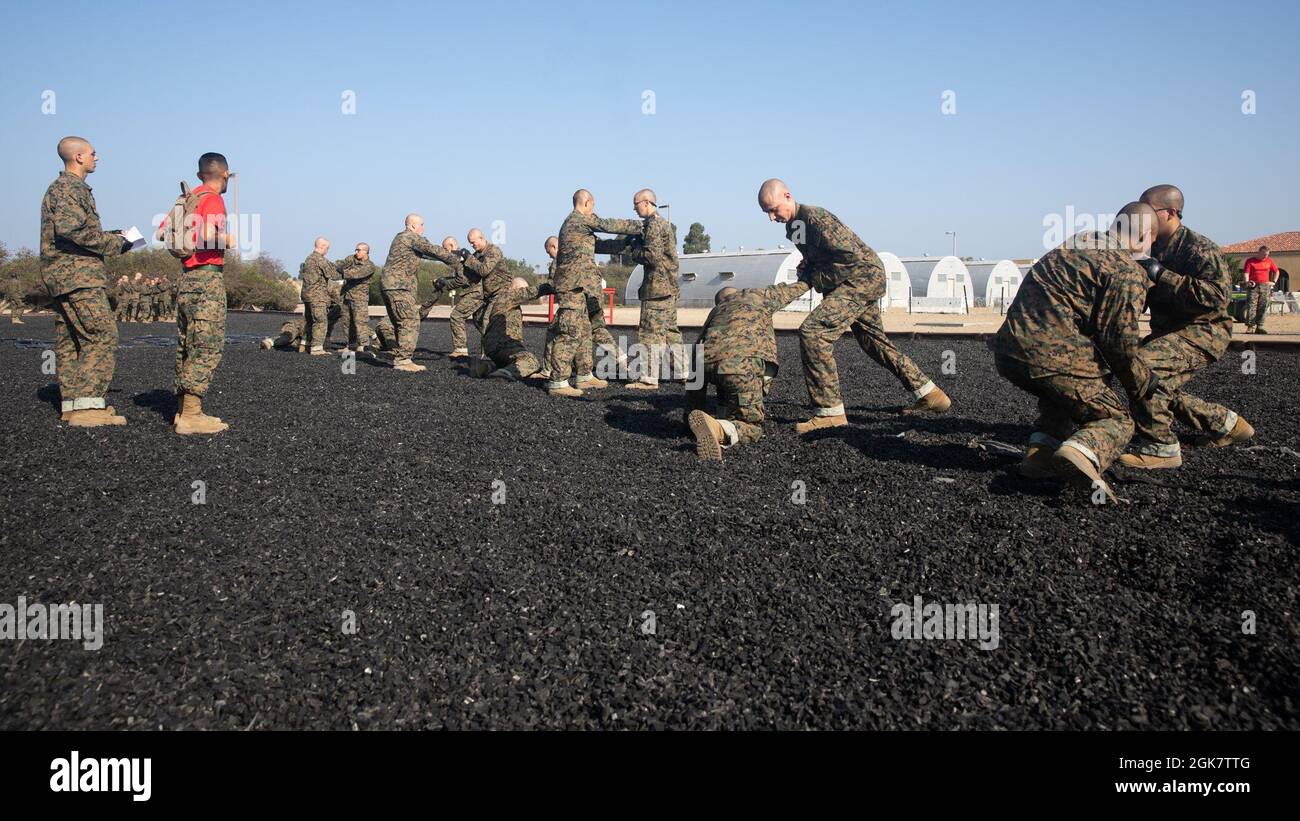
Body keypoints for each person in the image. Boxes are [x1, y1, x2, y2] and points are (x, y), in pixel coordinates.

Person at [994, 203, 1159, 501]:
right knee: (1115, 420)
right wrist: (1142, 383)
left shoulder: (1075, 245)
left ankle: (1040, 455)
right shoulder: (1126, 269)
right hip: (1053, 353)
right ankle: (1080, 453)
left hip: (1008, 349)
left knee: (1063, 393)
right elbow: (1119, 342)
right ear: (1145, 235)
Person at [757, 179, 950, 432]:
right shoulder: (795, 228)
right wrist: (808, 265)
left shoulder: (815, 218)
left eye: (773, 209)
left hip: (861, 278)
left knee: (814, 333)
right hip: (851, 282)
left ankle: (829, 413)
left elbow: (848, 258)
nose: (771, 218)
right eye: (766, 213)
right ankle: (930, 393)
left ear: (788, 196)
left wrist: (814, 278)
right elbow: (821, 257)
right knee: (873, 342)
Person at [1118, 185, 1252, 470]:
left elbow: (1217, 297)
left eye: (1148, 210)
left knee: (1144, 369)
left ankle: (1161, 448)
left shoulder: (1198, 248)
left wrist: (1161, 274)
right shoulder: (1149, 246)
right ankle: (1226, 424)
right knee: (1152, 381)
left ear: (1169, 213)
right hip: (1167, 333)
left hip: (1204, 331)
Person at [39, 136, 132, 427]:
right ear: (78, 157)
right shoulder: (69, 188)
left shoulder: (66, 189)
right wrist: (116, 243)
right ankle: (89, 406)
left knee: (71, 341)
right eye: (93, 153)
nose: (97, 157)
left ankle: (75, 405)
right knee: (101, 335)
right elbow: (71, 230)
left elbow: (75, 229)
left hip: (66, 276)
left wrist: (115, 235)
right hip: (77, 276)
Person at [685, 278, 811, 459]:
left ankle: (717, 419)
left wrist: (690, 411)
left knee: (721, 377)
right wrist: (813, 275)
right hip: (742, 363)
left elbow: (696, 354)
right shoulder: (757, 295)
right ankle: (720, 429)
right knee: (752, 427)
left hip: (705, 363)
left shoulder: (716, 311)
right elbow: (793, 289)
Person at [545, 189, 641, 397]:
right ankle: (558, 381)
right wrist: (641, 226)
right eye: (593, 207)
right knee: (570, 331)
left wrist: (626, 243)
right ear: (587, 203)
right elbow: (608, 225)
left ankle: (584, 375)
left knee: (585, 331)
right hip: (572, 287)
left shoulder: (578, 229)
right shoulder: (578, 220)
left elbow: (600, 245)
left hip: (581, 288)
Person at [168, 151, 234, 435]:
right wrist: (228, 239)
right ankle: (192, 416)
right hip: (207, 278)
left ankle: (183, 409)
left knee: (187, 343)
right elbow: (206, 235)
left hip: (186, 278)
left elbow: (163, 233)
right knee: (207, 344)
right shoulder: (213, 199)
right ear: (226, 174)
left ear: (199, 175)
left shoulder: (188, 198)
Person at [381, 214, 463, 372]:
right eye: (422, 225)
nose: (423, 228)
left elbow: (427, 255)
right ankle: (403, 360)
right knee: (409, 320)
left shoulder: (401, 239)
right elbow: (432, 250)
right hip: (399, 287)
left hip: (389, 286)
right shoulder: (412, 237)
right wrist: (457, 259)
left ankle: (400, 355)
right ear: (412, 225)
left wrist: (448, 257)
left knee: (400, 322)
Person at [623, 188, 686, 391]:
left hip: (656, 290)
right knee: (670, 333)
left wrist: (635, 249)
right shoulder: (662, 224)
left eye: (636, 204)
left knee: (650, 334)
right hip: (667, 288)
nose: (634, 208)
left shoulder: (654, 225)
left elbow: (651, 256)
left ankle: (648, 378)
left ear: (647, 202)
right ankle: (683, 372)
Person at [469, 276, 555, 379]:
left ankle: (486, 367)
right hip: (503, 344)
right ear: (513, 287)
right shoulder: (509, 296)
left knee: (508, 361)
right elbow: (533, 291)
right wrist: (556, 286)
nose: (523, 293)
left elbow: (479, 320)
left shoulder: (498, 300)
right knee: (531, 361)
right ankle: (505, 374)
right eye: (521, 289)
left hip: (493, 346)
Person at [447, 233, 482, 360]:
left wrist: (445, 284)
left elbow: (461, 280)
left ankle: (461, 349)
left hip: (475, 292)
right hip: (477, 292)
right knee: (480, 322)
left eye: (445, 250)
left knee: (456, 316)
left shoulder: (458, 258)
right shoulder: (461, 257)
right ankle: (496, 348)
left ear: (451, 246)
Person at [335, 242, 375, 353]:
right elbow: (338, 265)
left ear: (366, 251)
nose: (356, 252)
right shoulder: (351, 259)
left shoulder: (369, 266)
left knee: (360, 323)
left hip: (359, 298)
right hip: (346, 296)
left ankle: (364, 346)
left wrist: (344, 270)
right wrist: (345, 264)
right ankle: (351, 345)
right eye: (356, 250)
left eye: (359, 250)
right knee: (347, 322)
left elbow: (354, 274)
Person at [299, 237, 334, 355]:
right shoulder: (320, 260)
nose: (327, 251)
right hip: (317, 296)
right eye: (327, 248)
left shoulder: (308, 258)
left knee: (309, 320)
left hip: (307, 295)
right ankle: (317, 348)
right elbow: (332, 273)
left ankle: (305, 344)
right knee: (320, 321)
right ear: (322, 247)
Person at [1242, 246, 1279, 334]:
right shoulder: (1250, 261)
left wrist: (1273, 281)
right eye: (1264, 254)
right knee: (1252, 306)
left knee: (1263, 306)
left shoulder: (1269, 261)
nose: (1265, 256)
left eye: (1267, 255)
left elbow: (1276, 271)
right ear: (1259, 252)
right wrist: (1247, 282)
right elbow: (1246, 273)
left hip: (1265, 286)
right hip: (1253, 285)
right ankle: (1250, 327)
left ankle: (1259, 326)